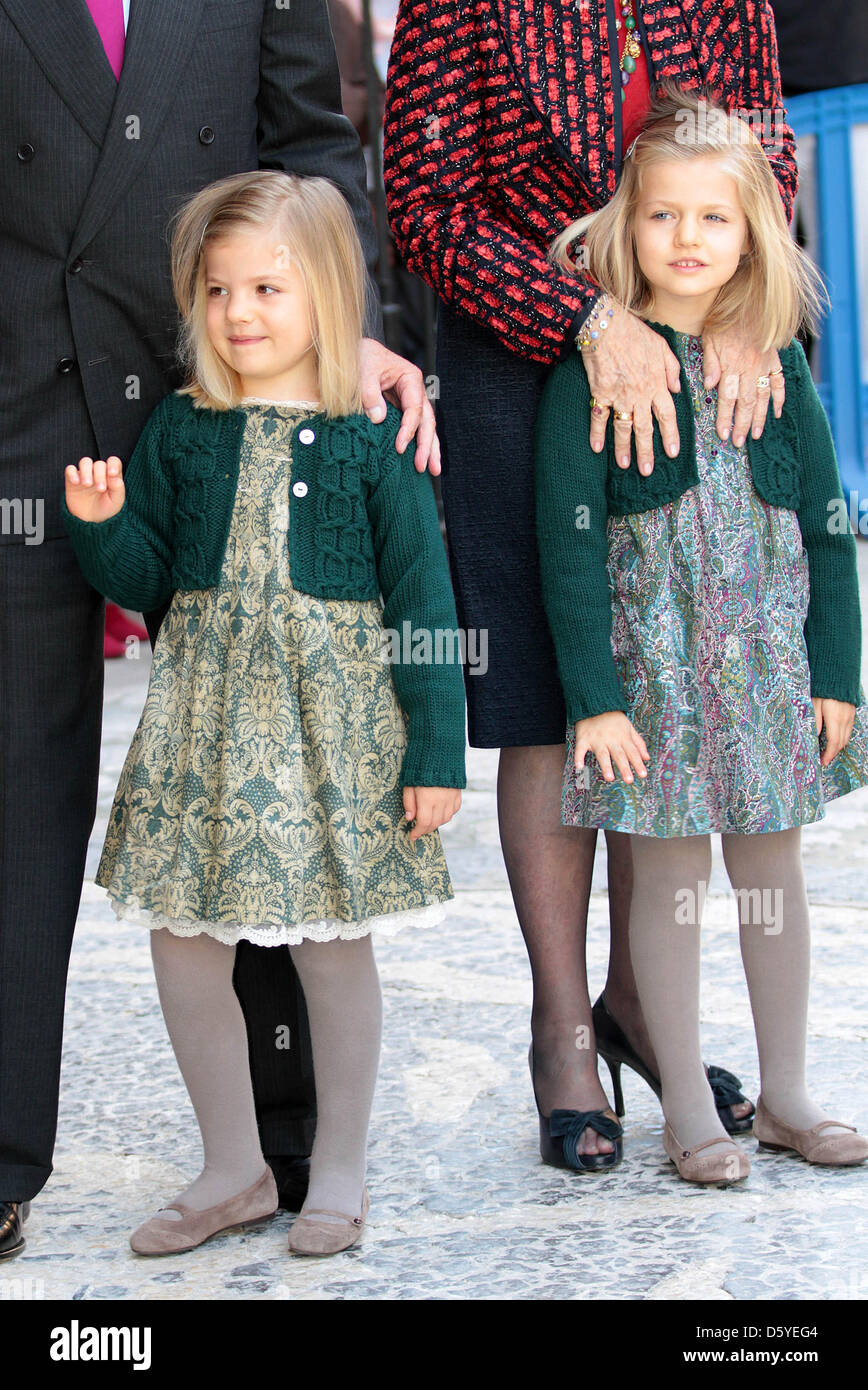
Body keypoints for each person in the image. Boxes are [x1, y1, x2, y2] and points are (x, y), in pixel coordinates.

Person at [0, 0, 439, 1261]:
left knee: (284, 796)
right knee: (17, 792)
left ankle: (290, 1143)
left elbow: (311, 139)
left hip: (217, 372)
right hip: (23, 395)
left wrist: (351, 329)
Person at [382, 0, 789, 1165]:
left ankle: (641, 1005)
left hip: (704, 347)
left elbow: (765, 150)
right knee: (546, 696)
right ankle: (562, 1031)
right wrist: (586, 317)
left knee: (662, 678)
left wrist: (748, 309)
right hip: (519, 356)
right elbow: (426, 206)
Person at [535, 84, 868, 1183]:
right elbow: (569, 550)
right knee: (670, 887)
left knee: (773, 880)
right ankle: (685, 1102)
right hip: (657, 686)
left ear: (752, 232)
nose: (687, 237)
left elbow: (827, 531)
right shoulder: (591, 375)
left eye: (713, 216)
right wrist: (595, 699)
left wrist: (836, 675)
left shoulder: (777, 364)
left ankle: (787, 1093)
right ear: (627, 226)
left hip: (768, 676)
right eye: (663, 214)